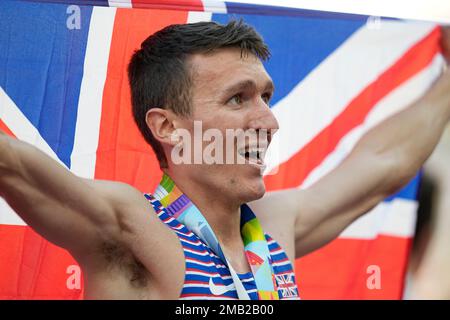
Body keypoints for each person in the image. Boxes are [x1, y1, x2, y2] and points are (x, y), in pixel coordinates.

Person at [0, 21, 449, 300]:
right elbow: (13, 164)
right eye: (238, 99)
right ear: (168, 128)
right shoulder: (132, 227)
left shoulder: (276, 224)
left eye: (266, 97)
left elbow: (384, 162)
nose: (268, 121)